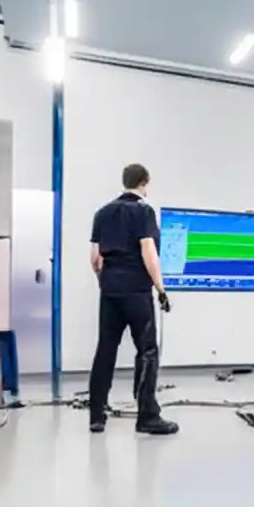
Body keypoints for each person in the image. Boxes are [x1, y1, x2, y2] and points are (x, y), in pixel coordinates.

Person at [87, 163, 179, 435]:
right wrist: (160, 289)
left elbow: (95, 259)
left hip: (110, 292)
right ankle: (147, 416)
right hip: (137, 292)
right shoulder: (143, 211)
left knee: (105, 350)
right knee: (147, 351)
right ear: (144, 183)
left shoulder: (102, 213)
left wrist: (106, 282)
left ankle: (96, 416)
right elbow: (148, 251)